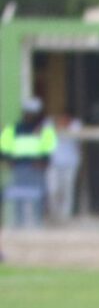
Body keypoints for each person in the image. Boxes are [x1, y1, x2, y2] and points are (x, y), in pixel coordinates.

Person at [1, 96, 55, 236]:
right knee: (18, 195)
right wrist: (8, 160)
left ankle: (37, 224)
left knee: (37, 196)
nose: (29, 115)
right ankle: (18, 225)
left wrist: (43, 161)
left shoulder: (44, 130)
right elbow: (4, 148)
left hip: (36, 169)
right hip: (18, 168)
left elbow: (49, 149)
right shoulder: (13, 129)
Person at [46, 113, 83, 223]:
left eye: (65, 118)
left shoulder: (75, 126)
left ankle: (66, 216)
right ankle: (54, 214)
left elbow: (78, 137)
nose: (63, 121)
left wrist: (66, 126)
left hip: (70, 163)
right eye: (61, 118)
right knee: (53, 189)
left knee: (67, 190)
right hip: (53, 163)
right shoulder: (49, 125)